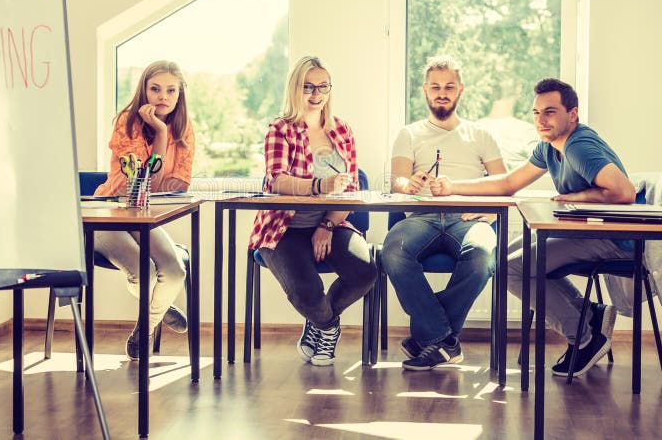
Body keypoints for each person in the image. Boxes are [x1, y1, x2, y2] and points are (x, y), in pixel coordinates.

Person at [430, 78, 636, 377]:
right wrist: (453, 187)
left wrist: (577, 197)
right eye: (536, 113)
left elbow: (625, 192)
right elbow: (508, 183)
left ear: (573, 114)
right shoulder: (549, 147)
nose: (541, 120)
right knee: (503, 261)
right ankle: (589, 314)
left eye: (550, 112)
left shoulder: (579, 146)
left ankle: (585, 338)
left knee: (513, 270)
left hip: (613, 239)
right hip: (587, 233)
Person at [379, 55, 507, 371]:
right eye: (435, 87)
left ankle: (427, 336)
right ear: (425, 90)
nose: (442, 93)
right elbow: (397, 181)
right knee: (392, 251)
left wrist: (491, 214)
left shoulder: (481, 135)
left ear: (460, 90)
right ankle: (444, 340)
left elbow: (504, 184)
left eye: (449, 87)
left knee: (481, 256)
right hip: (420, 218)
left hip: (468, 218)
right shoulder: (408, 134)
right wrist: (409, 184)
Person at [248, 56, 378, 366]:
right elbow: (277, 180)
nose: (316, 94)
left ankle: (317, 320)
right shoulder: (280, 128)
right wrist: (319, 186)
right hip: (284, 228)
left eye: (323, 86)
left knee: (365, 272)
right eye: (308, 87)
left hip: (332, 223)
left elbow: (350, 189)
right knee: (306, 291)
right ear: (295, 88)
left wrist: (328, 225)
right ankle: (327, 326)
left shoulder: (342, 130)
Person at [93, 60, 195, 360]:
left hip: (143, 216)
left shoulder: (184, 128)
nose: (163, 96)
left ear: (180, 94)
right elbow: (142, 179)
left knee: (174, 271)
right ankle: (161, 308)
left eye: (171, 90)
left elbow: (177, 184)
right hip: (108, 213)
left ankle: (146, 324)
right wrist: (160, 134)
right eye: (155, 89)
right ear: (144, 90)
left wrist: (163, 134)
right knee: (145, 272)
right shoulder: (127, 122)